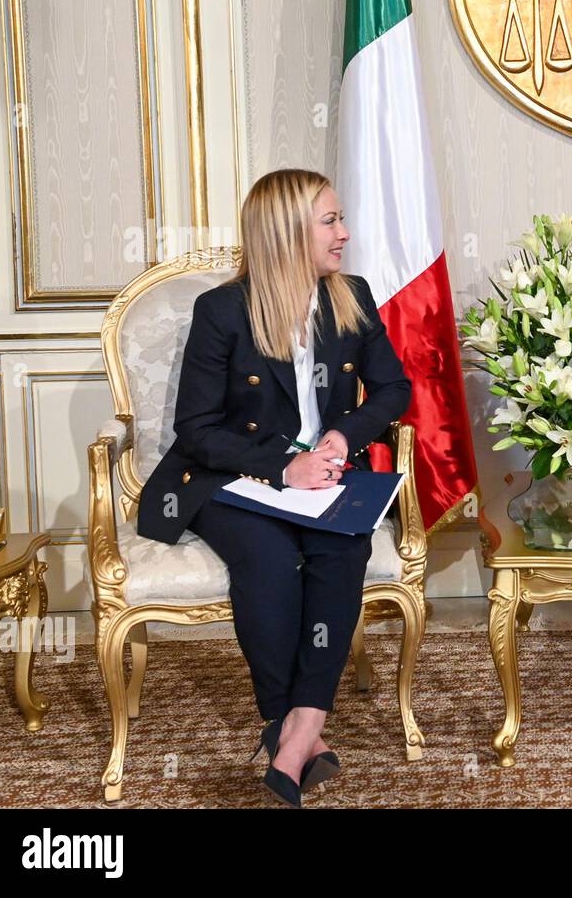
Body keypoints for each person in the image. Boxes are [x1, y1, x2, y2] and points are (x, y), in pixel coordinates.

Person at [137, 168, 412, 806]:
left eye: (340, 219)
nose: (345, 233)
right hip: (233, 479)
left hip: (325, 476)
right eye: (330, 221)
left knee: (341, 550)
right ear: (288, 232)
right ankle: (291, 722)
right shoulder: (223, 310)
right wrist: (281, 469)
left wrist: (344, 435)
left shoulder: (352, 296)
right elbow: (197, 429)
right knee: (267, 560)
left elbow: (394, 389)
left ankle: (298, 729)